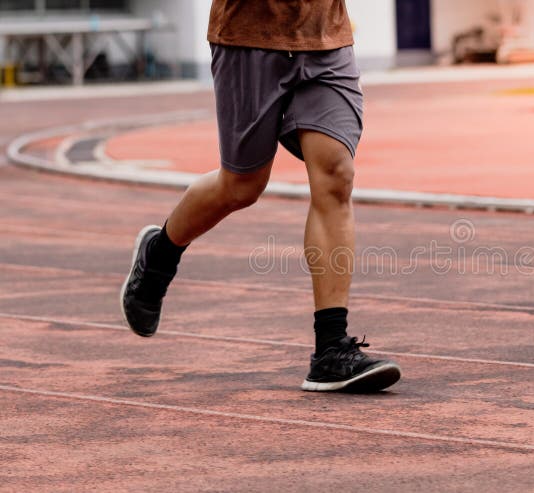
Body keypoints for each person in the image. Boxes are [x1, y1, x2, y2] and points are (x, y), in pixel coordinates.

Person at [120, 0, 401, 393]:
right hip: (248, 35)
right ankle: (160, 254)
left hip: (324, 36)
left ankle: (331, 348)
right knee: (242, 186)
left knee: (336, 175)